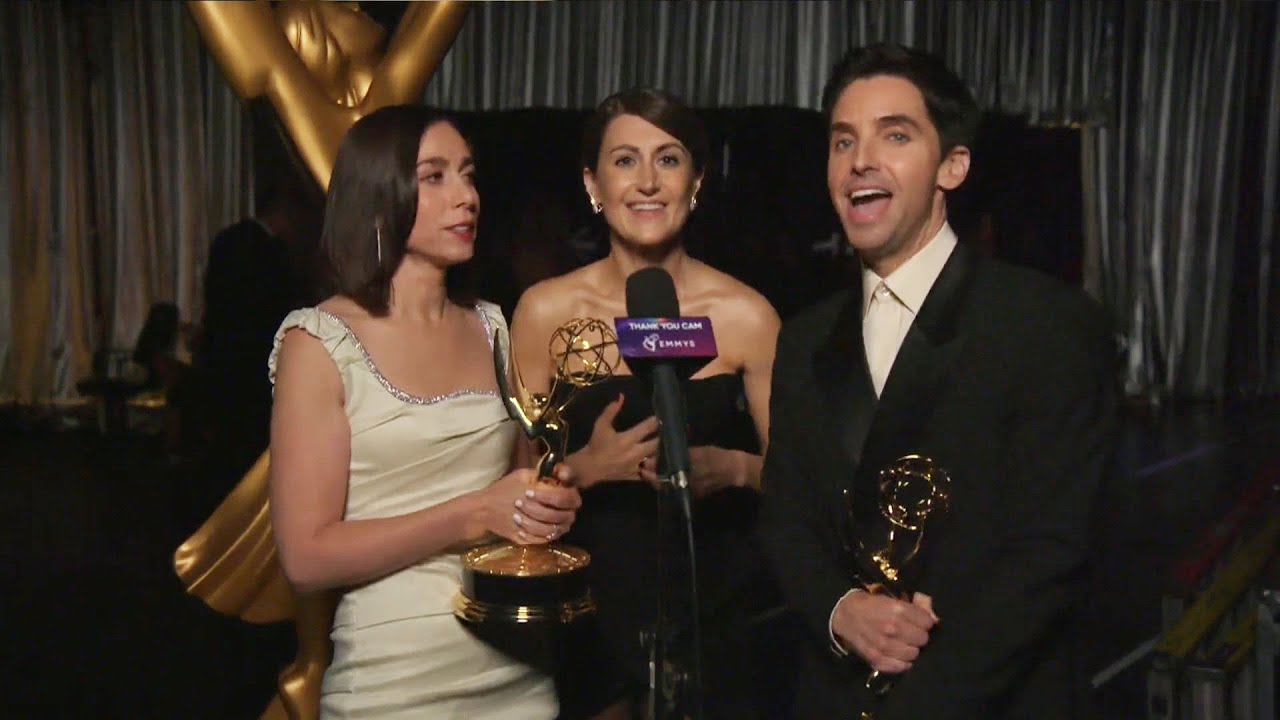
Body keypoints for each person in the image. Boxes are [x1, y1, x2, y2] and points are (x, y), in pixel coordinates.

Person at [759, 43, 1117, 720]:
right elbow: (785, 522)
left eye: (895, 135)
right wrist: (841, 612)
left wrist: (926, 694)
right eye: (843, 141)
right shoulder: (806, 337)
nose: (860, 158)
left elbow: (1052, 552)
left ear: (952, 165)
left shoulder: (1047, 323)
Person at [267, 104, 582, 719]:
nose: (466, 196)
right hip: (393, 682)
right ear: (379, 193)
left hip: (515, 673)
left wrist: (546, 502)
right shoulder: (319, 341)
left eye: (468, 174)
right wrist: (472, 512)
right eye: (434, 176)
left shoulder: (493, 326)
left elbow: (514, 491)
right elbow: (305, 558)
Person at [511, 88, 785, 719]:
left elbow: (800, 482)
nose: (647, 183)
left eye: (668, 160)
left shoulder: (747, 316)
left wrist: (733, 468)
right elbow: (512, 488)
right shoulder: (545, 313)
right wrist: (584, 468)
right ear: (593, 184)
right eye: (625, 160)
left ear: (696, 184)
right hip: (589, 616)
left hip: (718, 614)